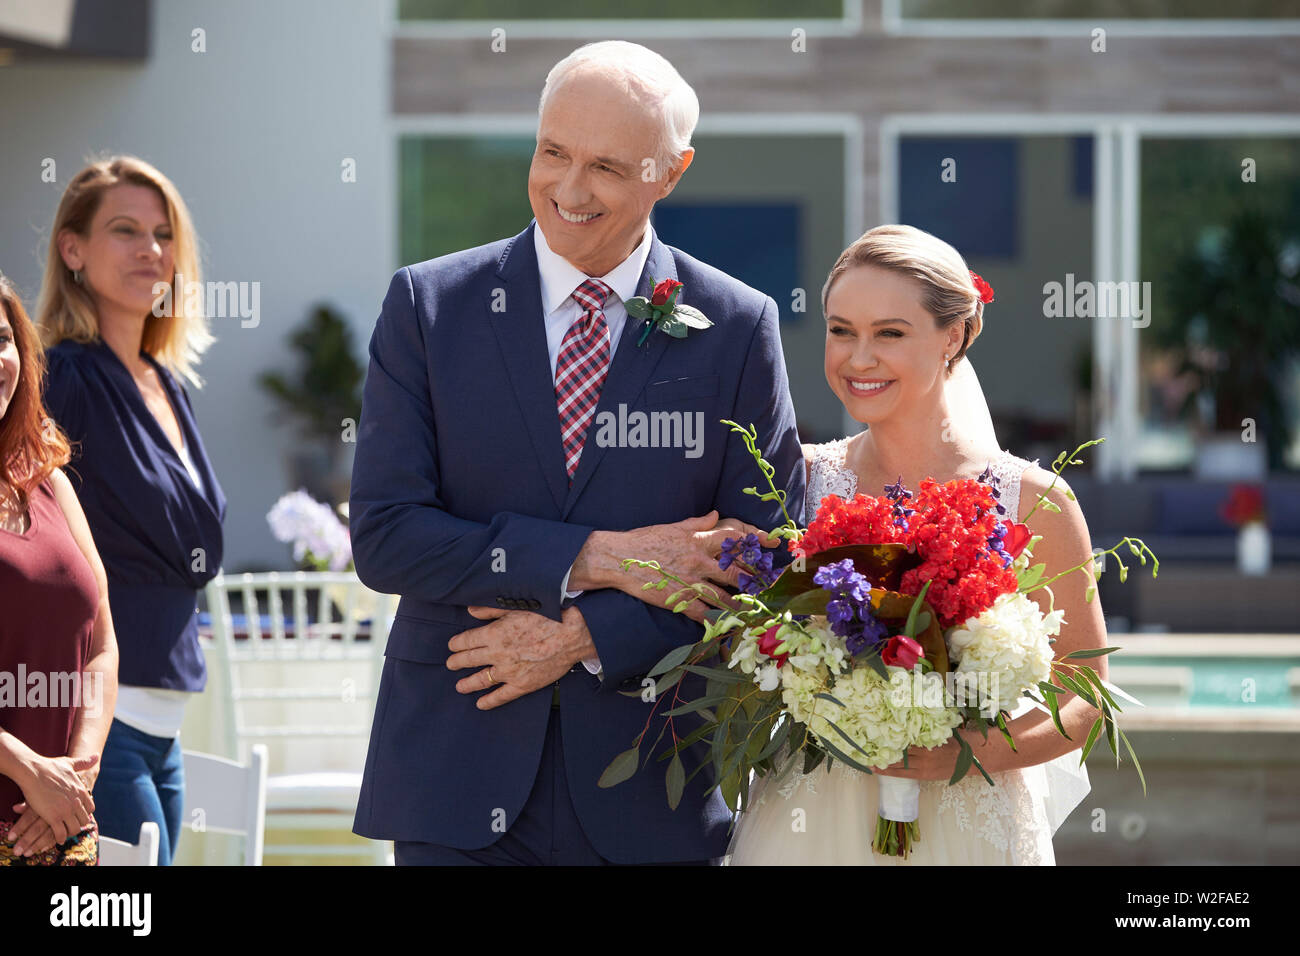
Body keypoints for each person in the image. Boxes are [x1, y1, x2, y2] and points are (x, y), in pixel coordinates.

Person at [349, 40, 805, 865]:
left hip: (652, 785)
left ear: (670, 172)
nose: (568, 188)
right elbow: (386, 536)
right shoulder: (430, 306)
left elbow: (767, 559)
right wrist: (596, 559)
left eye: (605, 166)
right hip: (456, 773)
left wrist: (584, 635)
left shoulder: (736, 327)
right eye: (552, 152)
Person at [724, 225, 1099, 865]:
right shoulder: (799, 483)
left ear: (952, 337)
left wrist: (961, 755)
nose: (858, 358)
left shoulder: (1035, 502)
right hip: (813, 815)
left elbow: (1085, 697)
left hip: (967, 819)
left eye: (889, 333)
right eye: (842, 331)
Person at [37, 156, 226, 866]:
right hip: (98, 727)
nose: (152, 250)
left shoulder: (166, 383)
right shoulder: (66, 380)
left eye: (162, 233)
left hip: (167, 725)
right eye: (125, 231)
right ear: (73, 250)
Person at [0, 274, 117, 865]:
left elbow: (100, 644)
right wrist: (30, 773)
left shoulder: (51, 482)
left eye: (1, 340)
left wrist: (75, 777)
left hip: (63, 831)